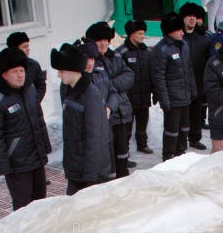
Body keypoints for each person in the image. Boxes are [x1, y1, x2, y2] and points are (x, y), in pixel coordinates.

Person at [0, 47, 51, 211]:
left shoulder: (30, 90)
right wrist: (4, 167)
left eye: (22, 70)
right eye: (15, 71)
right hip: (17, 165)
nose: (20, 75)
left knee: (40, 202)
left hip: (36, 157)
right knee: (23, 208)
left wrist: (45, 147)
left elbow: (39, 120)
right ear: (3, 74)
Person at [52, 45, 111, 196]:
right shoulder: (72, 91)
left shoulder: (90, 95)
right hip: (77, 170)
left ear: (73, 70)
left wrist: (90, 177)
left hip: (88, 174)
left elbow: (95, 138)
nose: (59, 75)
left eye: (61, 71)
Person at [85, 21, 135, 177]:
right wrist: (108, 86)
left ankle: (123, 176)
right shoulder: (89, 62)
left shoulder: (115, 57)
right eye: (100, 40)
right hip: (105, 116)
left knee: (122, 152)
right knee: (108, 157)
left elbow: (129, 75)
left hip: (123, 112)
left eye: (107, 40)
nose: (104, 43)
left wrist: (109, 84)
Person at [151, 12, 197, 161]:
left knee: (185, 128)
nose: (182, 33)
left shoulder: (184, 45)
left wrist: (193, 90)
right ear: (170, 31)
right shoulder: (162, 49)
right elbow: (159, 77)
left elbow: (189, 70)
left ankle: (181, 152)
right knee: (172, 130)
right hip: (172, 98)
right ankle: (168, 155)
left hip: (185, 96)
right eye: (179, 30)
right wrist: (164, 99)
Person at [115, 20, 154, 155]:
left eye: (143, 33)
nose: (143, 36)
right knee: (126, 127)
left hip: (144, 95)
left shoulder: (147, 51)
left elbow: (152, 72)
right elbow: (118, 75)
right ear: (131, 34)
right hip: (128, 98)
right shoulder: (121, 53)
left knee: (143, 123)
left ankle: (142, 144)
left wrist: (154, 92)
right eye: (140, 33)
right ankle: (124, 151)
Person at [180, 3, 210, 151]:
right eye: (189, 16)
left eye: (194, 16)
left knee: (197, 113)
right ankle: (181, 140)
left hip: (198, 81)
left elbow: (209, 60)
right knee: (183, 114)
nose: (192, 19)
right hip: (182, 83)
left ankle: (195, 138)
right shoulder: (178, 37)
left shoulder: (204, 38)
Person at [6, 32, 47, 102]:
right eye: (25, 47)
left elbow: (41, 85)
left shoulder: (34, 65)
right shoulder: (5, 67)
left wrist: (35, 101)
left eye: (28, 46)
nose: (28, 49)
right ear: (15, 49)